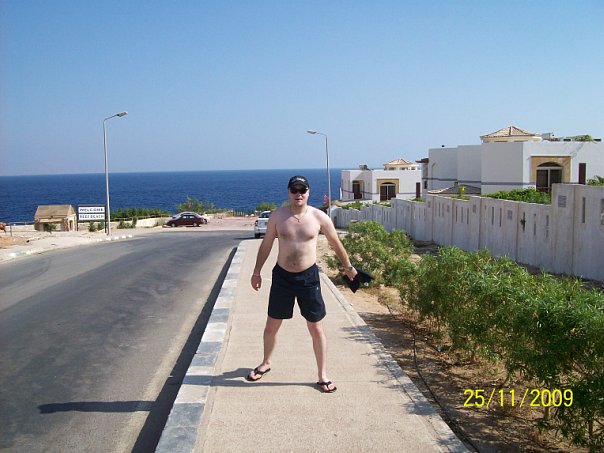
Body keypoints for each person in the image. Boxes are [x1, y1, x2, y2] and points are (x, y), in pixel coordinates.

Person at [247, 175, 358, 393]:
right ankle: (266, 362)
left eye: (302, 190)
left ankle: (322, 375)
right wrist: (256, 272)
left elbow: (336, 243)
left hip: (308, 278)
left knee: (316, 327)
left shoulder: (319, 217)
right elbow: (266, 244)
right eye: (294, 190)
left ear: (308, 192)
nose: (298, 194)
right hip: (282, 277)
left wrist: (348, 267)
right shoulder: (278, 216)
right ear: (289, 192)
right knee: (272, 325)